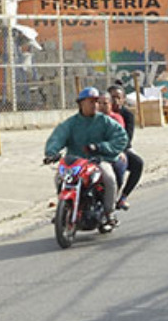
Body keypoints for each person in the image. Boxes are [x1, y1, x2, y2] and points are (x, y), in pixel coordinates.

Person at [42, 87, 127, 226]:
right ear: (81, 103)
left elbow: (121, 138)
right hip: (75, 163)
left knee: (109, 178)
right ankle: (63, 210)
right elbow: (57, 138)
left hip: (98, 161)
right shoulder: (71, 123)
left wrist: (100, 147)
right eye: (91, 102)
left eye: (96, 102)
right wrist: (51, 153)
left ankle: (109, 213)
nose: (95, 105)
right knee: (59, 178)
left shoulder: (105, 121)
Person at [107, 85, 145, 209]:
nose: (115, 101)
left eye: (118, 97)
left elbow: (127, 138)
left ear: (123, 99)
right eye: (112, 97)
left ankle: (122, 197)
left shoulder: (127, 115)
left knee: (137, 163)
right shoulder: (101, 112)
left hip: (121, 149)